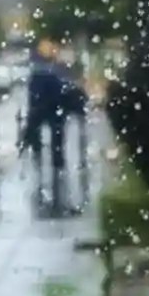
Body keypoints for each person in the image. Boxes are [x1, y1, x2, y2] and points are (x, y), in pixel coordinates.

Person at [22, 38, 88, 210]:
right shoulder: (56, 71)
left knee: (45, 138)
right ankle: (56, 163)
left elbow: (34, 97)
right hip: (54, 110)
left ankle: (44, 161)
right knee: (56, 140)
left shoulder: (40, 72)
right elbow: (66, 92)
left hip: (45, 109)